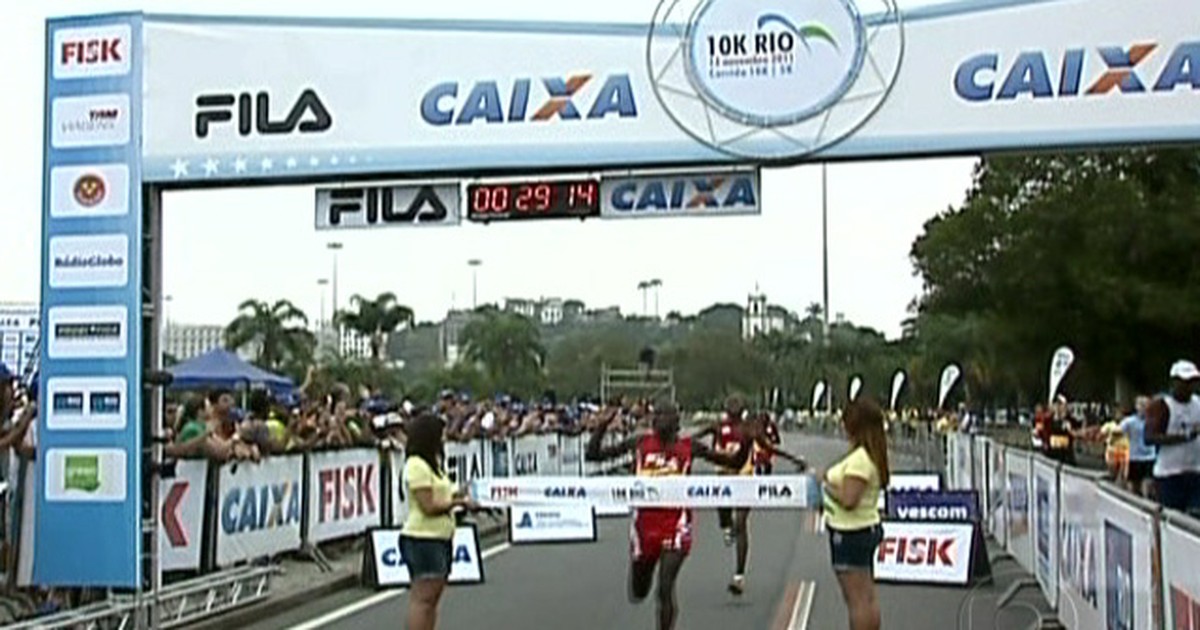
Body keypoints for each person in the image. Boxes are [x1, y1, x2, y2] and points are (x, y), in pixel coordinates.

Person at [585, 402, 760, 630]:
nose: (659, 420)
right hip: (644, 527)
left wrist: (747, 441)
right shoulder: (640, 443)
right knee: (638, 592)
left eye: (665, 416)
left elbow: (734, 462)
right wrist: (601, 426)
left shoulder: (689, 447)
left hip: (676, 524)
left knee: (665, 588)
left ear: (676, 423)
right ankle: (642, 573)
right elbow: (593, 455)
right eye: (656, 416)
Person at [696, 396, 807, 595]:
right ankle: (726, 526)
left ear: (743, 410)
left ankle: (739, 577)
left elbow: (769, 447)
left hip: (745, 480)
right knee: (725, 518)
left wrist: (794, 460)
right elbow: (694, 438)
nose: (734, 409)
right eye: (731, 406)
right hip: (722, 479)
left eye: (737, 407)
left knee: (741, 523)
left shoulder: (749, 430)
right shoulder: (717, 426)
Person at [402, 412, 479, 630]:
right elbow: (429, 506)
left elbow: (447, 495)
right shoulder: (416, 465)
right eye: (440, 435)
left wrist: (463, 494)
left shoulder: (434, 466)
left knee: (433, 599)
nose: (444, 439)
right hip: (423, 538)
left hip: (440, 537)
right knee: (423, 599)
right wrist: (458, 503)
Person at [823, 397, 890, 630]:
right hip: (860, 529)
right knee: (865, 596)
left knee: (858, 600)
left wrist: (824, 485)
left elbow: (849, 499)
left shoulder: (860, 461)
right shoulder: (866, 456)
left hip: (851, 533)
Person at [1145, 361, 1200, 514]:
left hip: (1195, 471)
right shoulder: (1162, 406)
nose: (1189, 387)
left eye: (1192, 382)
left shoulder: (1197, 403)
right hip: (1169, 474)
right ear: (1174, 382)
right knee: (1172, 518)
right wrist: (1183, 437)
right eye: (1185, 382)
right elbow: (1149, 438)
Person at [1119, 396, 1156, 497]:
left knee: (1147, 482)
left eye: (1146, 405)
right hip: (1134, 456)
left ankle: (1146, 501)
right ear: (1136, 407)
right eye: (1141, 405)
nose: (1144, 408)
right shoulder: (1129, 422)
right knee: (1133, 483)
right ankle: (1133, 501)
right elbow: (1118, 432)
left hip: (1149, 456)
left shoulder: (1152, 421)